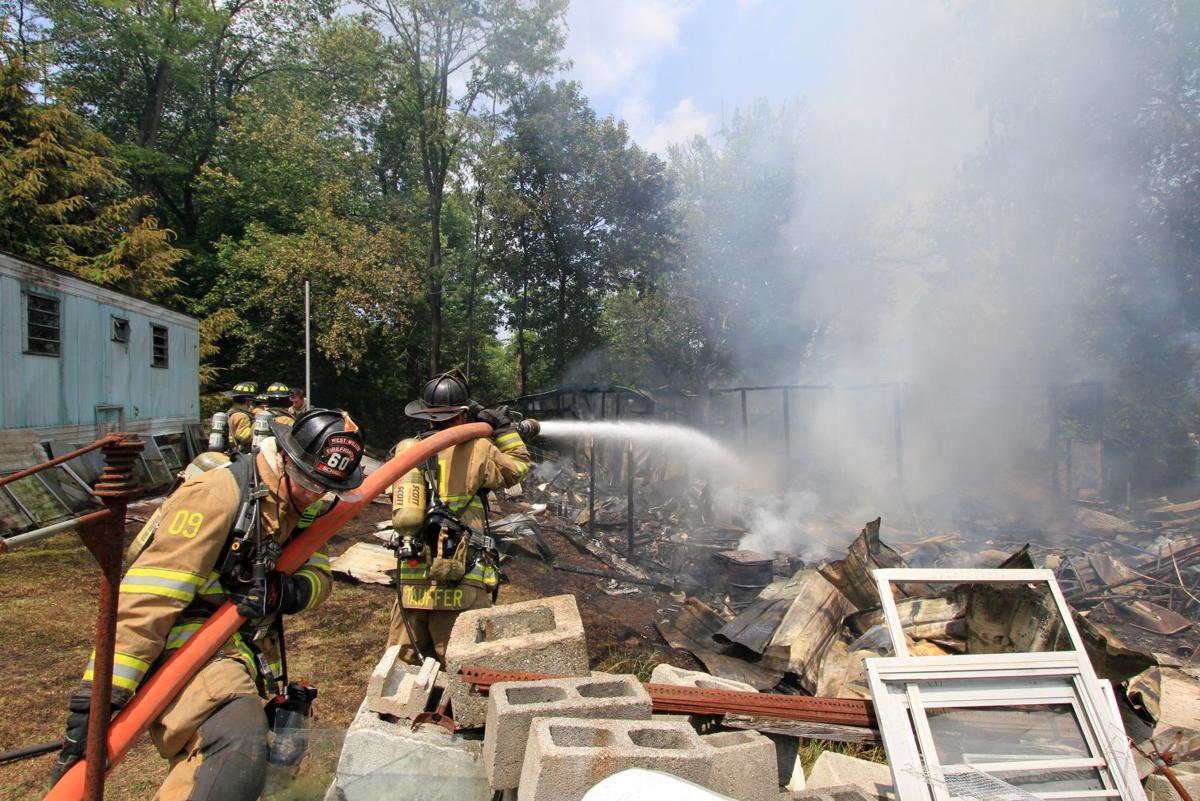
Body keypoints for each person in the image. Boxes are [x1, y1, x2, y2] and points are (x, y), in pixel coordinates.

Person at [50, 409, 365, 801]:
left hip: (236, 648)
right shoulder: (216, 497)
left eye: (324, 487)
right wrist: (97, 701)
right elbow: (149, 600)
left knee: (237, 763)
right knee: (238, 742)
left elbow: (318, 572)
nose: (313, 494)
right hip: (184, 645)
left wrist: (288, 592)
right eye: (307, 481)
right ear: (285, 456)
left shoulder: (302, 505)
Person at [387, 370, 532, 665]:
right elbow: (518, 466)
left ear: (425, 414)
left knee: (400, 671)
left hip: (412, 587)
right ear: (462, 414)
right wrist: (504, 429)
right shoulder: (478, 448)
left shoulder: (407, 451)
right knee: (465, 671)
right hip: (460, 583)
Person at [225, 382, 258, 453]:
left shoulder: (230, 412)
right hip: (240, 453)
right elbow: (244, 437)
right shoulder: (242, 416)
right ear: (248, 401)